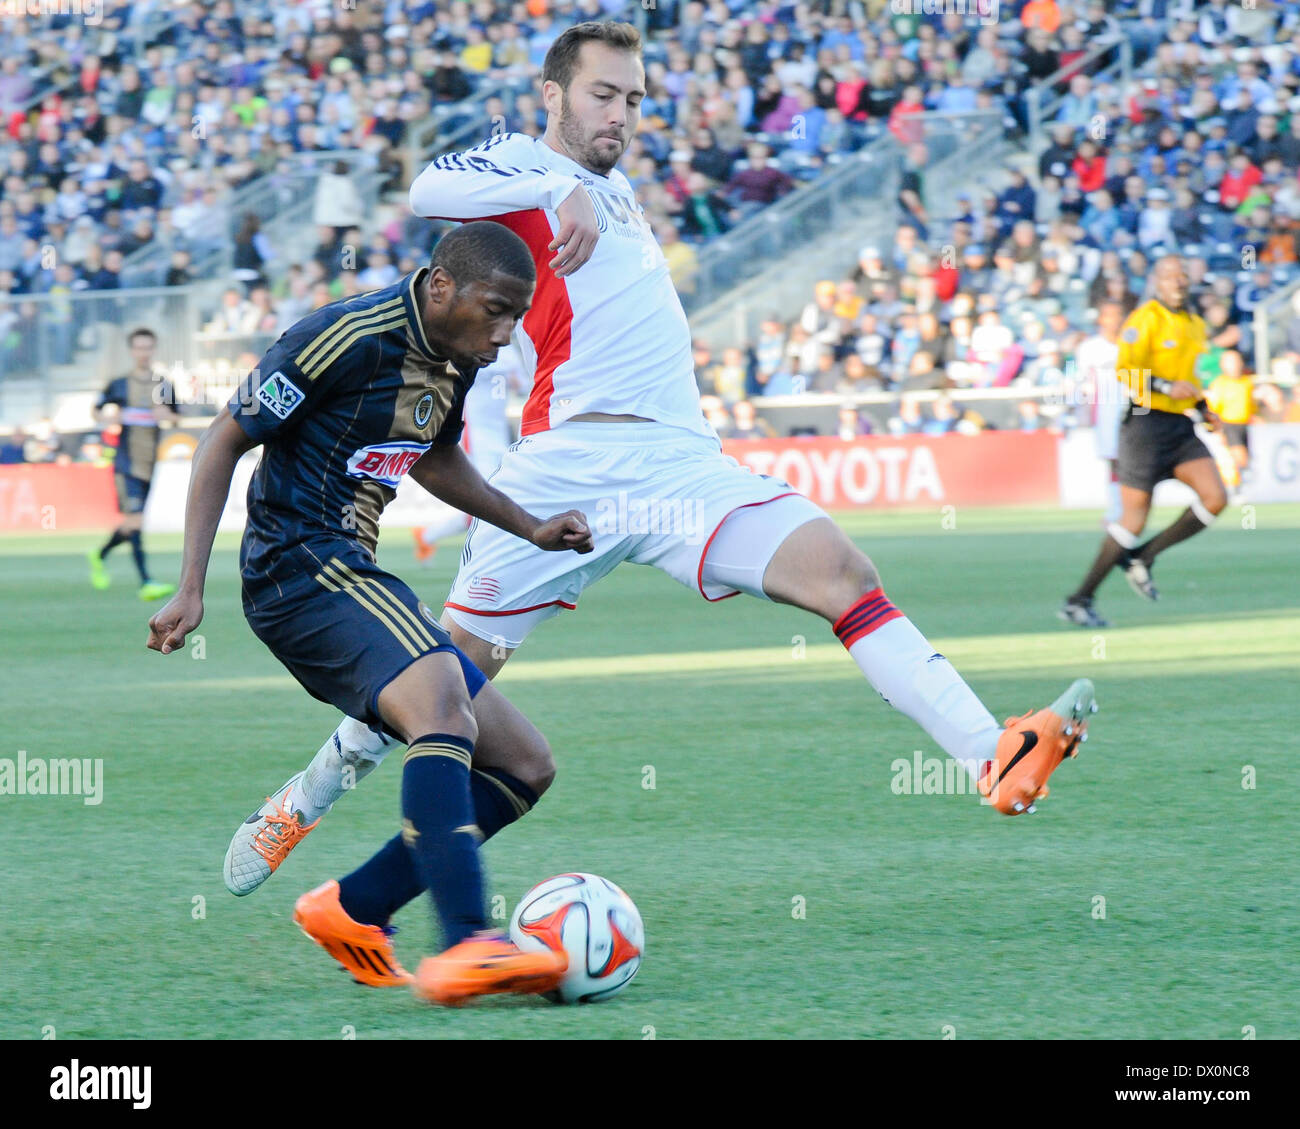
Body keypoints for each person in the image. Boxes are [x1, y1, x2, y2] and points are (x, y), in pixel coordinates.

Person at [234, 20, 1098, 899]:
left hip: (680, 465)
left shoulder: (619, 190)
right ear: (552, 96)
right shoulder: (520, 177)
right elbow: (424, 187)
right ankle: (307, 798)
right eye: (602, 95)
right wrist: (552, 185)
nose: (621, 115)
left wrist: (578, 187)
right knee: (441, 689)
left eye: (634, 100)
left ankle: (991, 751)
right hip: (565, 465)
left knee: (841, 568)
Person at [149, 222, 595, 1006]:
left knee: (526, 765)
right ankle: (466, 944)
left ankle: (355, 907)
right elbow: (224, 438)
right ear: (441, 286)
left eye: (517, 317)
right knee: (442, 714)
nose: (504, 334)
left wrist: (528, 525)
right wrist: (191, 585)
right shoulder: (344, 336)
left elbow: (433, 454)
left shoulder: (457, 358)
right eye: (495, 310)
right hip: (296, 567)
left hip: (354, 569)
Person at [1061, 256, 1228, 626]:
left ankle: (1143, 557)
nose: (1179, 281)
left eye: (1183, 274)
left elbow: (1189, 377)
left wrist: (1203, 408)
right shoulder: (1145, 319)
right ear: (1157, 281)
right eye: (1170, 275)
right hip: (1144, 424)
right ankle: (1079, 599)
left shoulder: (1196, 325)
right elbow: (1126, 371)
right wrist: (1167, 387)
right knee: (1133, 518)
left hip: (1180, 425)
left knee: (1216, 497)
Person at [413, 342, 527, 564]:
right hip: (473, 433)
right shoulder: (472, 341)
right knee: (484, 498)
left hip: (498, 435)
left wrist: (515, 381)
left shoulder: (508, 349)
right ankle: (489, 555)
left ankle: (427, 535)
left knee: (497, 496)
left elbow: (523, 385)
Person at [88, 327, 180, 601]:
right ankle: (146, 582)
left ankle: (100, 554)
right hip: (126, 463)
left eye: (148, 347)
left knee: (131, 524)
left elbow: (177, 417)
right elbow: (95, 410)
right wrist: (108, 419)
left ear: (154, 350)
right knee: (136, 521)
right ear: (132, 351)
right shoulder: (119, 384)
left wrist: (168, 415)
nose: (143, 353)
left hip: (149, 462)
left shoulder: (163, 384)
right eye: (139, 348)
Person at [1071, 300, 1127, 537]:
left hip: (1133, 408)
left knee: (1132, 460)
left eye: (1119, 315)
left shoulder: (1131, 345)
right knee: (1114, 460)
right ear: (1101, 320)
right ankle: (1116, 510)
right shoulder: (1090, 348)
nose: (1115, 320)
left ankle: (1129, 508)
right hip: (1105, 411)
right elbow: (1078, 379)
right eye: (1110, 315)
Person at [1205, 349, 1255, 495]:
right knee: (1237, 457)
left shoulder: (1247, 382)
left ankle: (1239, 487)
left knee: (1244, 458)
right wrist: (1217, 428)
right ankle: (1234, 489)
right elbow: (1214, 408)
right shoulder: (1220, 384)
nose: (1235, 365)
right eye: (1230, 362)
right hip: (1228, 424)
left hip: (1243, 424)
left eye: (1236, 361)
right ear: (1222, 365)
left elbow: (1251, 405)